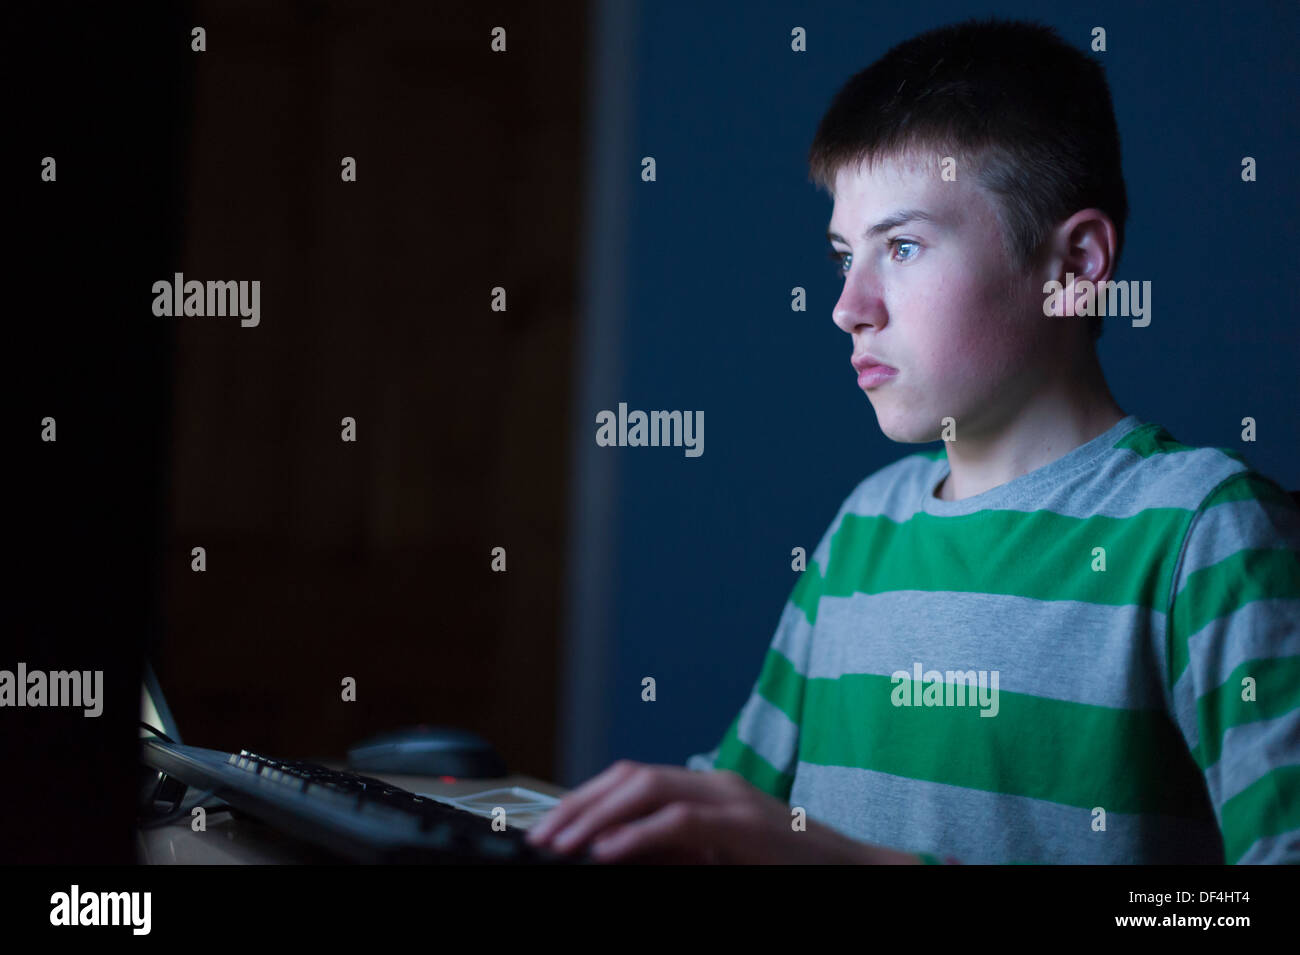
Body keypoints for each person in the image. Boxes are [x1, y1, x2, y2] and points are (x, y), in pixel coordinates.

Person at [526, 17, 1300, 864]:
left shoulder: (1207, 536)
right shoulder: (865, 528)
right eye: (840, 257)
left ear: (1074, 267)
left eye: (901, 245)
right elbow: (731, 818)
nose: (848, 305)